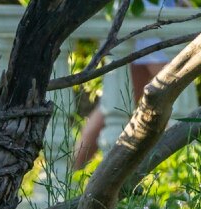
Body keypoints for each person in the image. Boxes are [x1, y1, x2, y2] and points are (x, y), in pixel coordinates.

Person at [72, 0, 183, 170]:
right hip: (150, 15)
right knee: (174, 91)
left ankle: (70, 172)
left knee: (116, 104)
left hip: (152, 13)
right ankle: (174, 171)